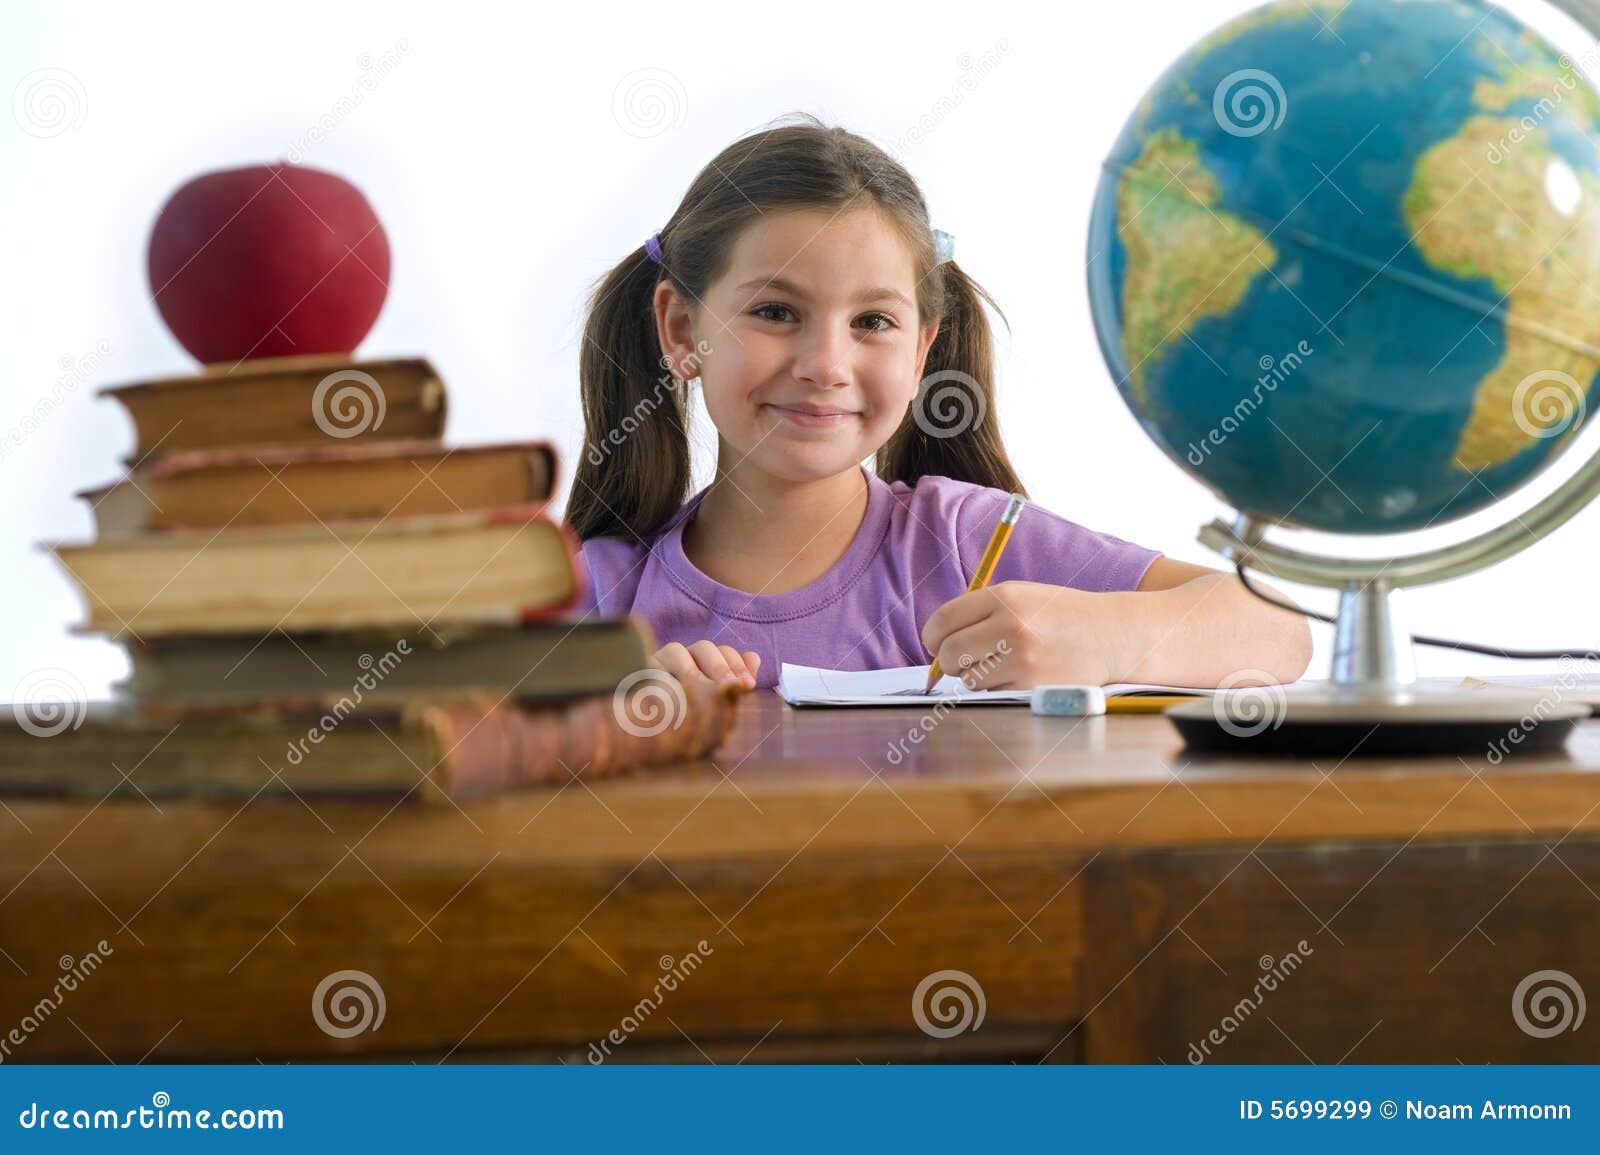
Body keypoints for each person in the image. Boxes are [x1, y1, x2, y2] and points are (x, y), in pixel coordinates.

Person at [565, 116, 1311, 693]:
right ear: (682, 327)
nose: (826, 365)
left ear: (921, 350)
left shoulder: (969, 545)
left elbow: (1277, 628)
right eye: (775, 312)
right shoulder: (598, 593)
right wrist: (611, 721)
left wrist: (1107, 637)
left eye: (872, 323)